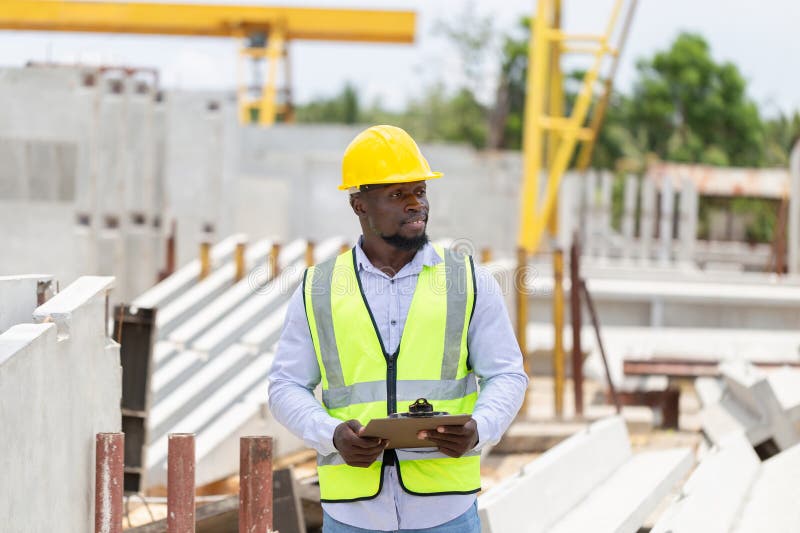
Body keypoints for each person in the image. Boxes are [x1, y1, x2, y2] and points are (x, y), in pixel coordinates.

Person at [267, 125, 528, 532]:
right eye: (396, 194)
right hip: (353, 514)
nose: (414, 204)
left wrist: (480, 428)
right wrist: (331, 434)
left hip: (445, 512)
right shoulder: (319, 288)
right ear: (359, 205)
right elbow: (284, 386)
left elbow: (507, 374)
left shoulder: (467, 280)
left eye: (420, 192)